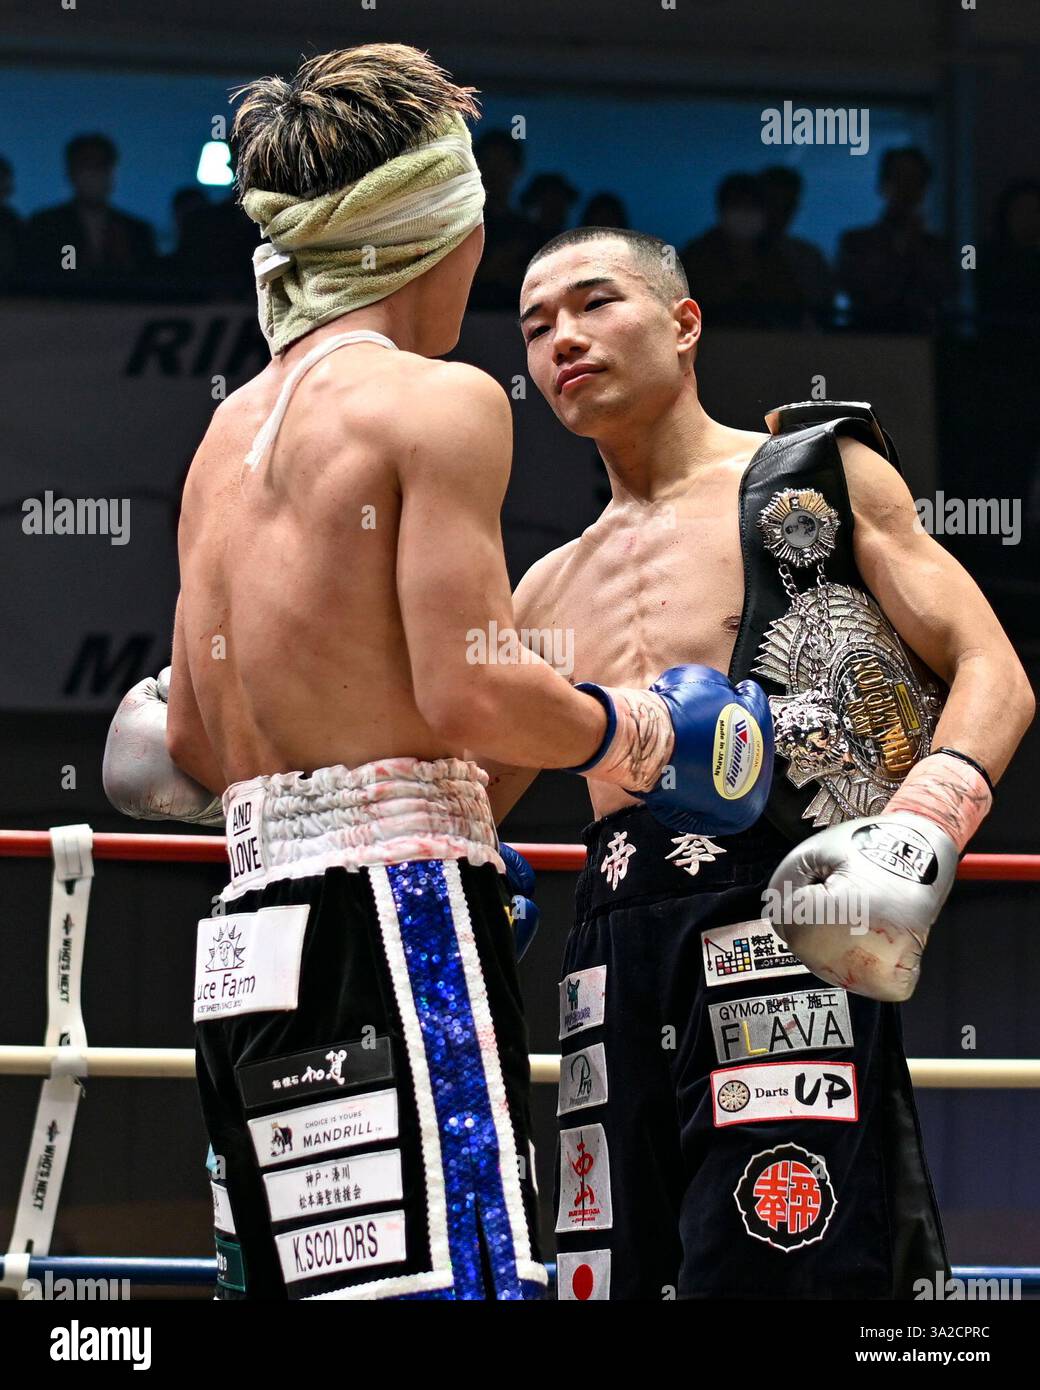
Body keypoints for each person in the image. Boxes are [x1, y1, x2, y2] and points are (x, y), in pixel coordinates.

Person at [101, 47, 774, 1301]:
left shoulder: (221, 437)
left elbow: (185, 745)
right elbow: (469, 693)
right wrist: (646, 731)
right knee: (461, 1286)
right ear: (442, 229)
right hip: (390, 919)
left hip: (249, 935)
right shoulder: (439, 400)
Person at [481, 226, 1034, 1299]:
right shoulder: (542, 589)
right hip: (611, 937)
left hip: (781, 910)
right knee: (608, 1273)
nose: (562, 339)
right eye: (535, 324)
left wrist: (918, 828)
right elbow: (465, 798)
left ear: (684, 324)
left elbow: (991, 669)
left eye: (594, 304)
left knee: (785, 1265)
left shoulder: (815, 478)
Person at [837, 146, 948, 332]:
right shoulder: (855, 242)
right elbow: (859, 289)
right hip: (868, 339)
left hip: (923, 342)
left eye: (915, 181)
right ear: (883, 185)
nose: (907, 189)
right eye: (900, 179)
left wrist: (916, 249)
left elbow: (946, 290)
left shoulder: (938, 248)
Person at [23, 133, 156, 289]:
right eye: (87, 166)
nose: (94, 174)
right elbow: (40, 274)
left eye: (101, 166)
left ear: (112, 173)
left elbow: (149, 280)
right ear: (71, 173)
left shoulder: (137, 231)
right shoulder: (46, 225)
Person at [758, 165, 833, 324]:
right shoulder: (716, 253)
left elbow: (821, 305)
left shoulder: (809, 257)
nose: (778, 212)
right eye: (773, 202)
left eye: (786, 205)